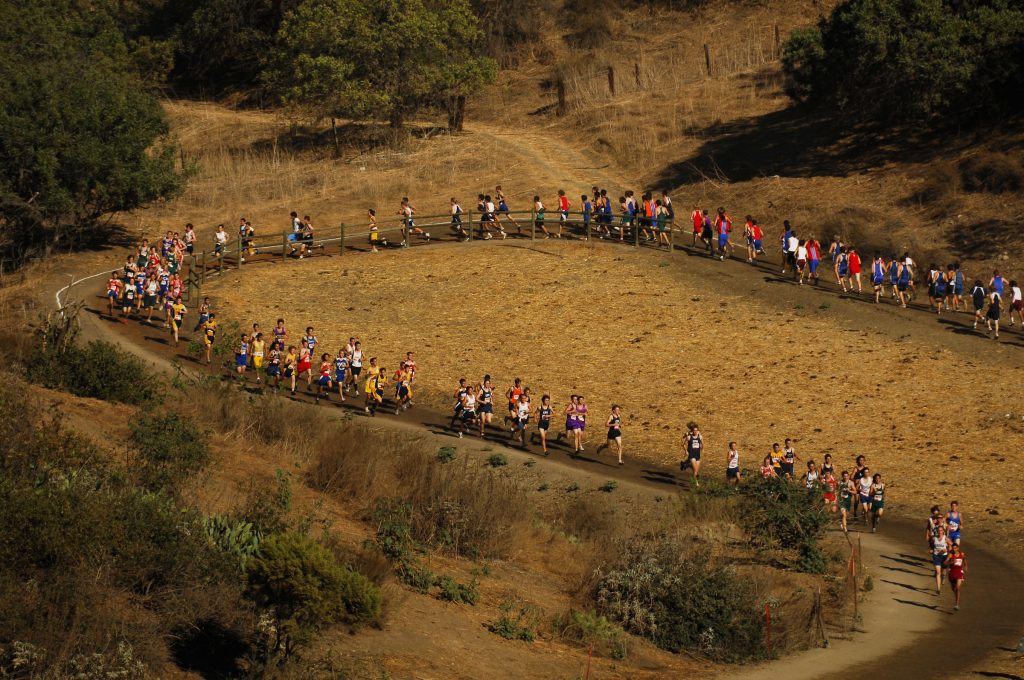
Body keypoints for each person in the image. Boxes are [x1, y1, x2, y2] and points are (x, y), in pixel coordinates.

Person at [944, 543, 967, 611]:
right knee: (954, 589)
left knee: (957, 588)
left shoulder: (962, 554)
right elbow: (945, 562)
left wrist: (965, 566)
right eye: (953, 548)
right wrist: (950, 562)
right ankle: (956, 596)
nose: (954, 550)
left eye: (955, 548)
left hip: (959, 572)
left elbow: (965, 560)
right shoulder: (950, 555)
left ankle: (956, 605)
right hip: (952, 573)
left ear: (958, 548)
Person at [930, 523, 951, 594]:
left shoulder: (946, 538)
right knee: (938, 572)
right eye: (939, 530)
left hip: (944, 557)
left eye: (941, 530)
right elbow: (932, 545)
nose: (940, 531)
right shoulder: (934, 538)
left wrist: (947, 550)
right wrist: (932, 550)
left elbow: (952, 546)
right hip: (936, 556)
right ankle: (938, 589)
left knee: (943, 571)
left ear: (943, 531)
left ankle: (944, 577)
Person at [682, 422, 703, 486]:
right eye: (693, 429)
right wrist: (686, 450)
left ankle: (687, 464)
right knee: (696, 470)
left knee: (696, 470)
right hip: (691, 453)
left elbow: (701, 442)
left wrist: (702, 448)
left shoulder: (699, 434)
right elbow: (682, 441)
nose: (695, 431)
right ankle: (696, 483)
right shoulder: (688, 434)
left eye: (696, 429)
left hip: (697, 454)